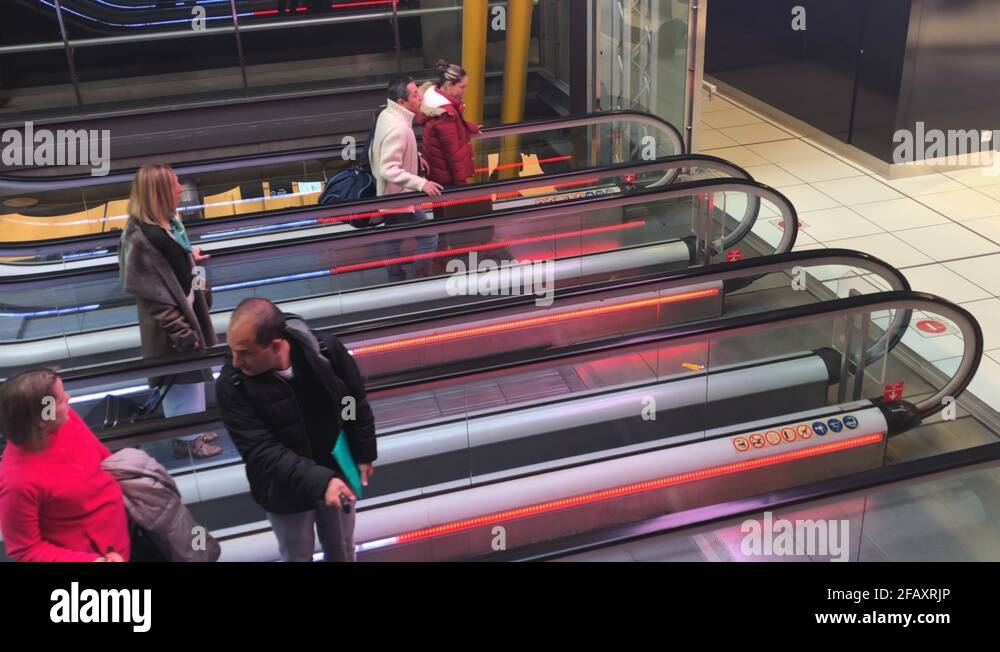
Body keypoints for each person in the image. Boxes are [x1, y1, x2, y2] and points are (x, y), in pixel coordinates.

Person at [215, 299, 377, 562]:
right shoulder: (232, 385)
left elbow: (352, 402)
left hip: (337, 470)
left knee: (343, 551)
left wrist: (363, 452)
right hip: (284, 491)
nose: (236, 361)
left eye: (245, 352)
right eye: (233, 350)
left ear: (276, 345)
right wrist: (322, 481)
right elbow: (262, 451)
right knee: (297, 556)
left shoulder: (324, 351)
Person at [119, 164, 222, 459]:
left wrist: (193, 259)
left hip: (188, 316)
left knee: (193, 381)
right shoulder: (140, 238)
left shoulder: (171, 225)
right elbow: (154, 299)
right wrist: (184, 334)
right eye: (175, 184)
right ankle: (185, 442)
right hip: (173, 331)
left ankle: (194, 429)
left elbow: (180, 266)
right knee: (180, 386)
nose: (180, 189)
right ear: (160, 192)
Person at [0, 369, 130, 562]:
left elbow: (103, 458)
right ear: (42, 420)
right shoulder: (17, 482)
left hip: (120, 537)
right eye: (60, 399)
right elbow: (26, 550)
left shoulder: (66, 420)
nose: (68, 399)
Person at [369, 75, 443, 280]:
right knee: (429, 238)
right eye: (415, 94)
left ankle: (395, 275)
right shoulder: (399, 129)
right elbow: (388, 168)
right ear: (402, 102)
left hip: (389, 195)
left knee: (393, 237)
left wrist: (416, 157)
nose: (420, 97)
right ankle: (420, 275)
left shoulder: (388, 113)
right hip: (400, 196)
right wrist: (422, 183)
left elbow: (386, 148)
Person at [420, 59, 481, 190]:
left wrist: (470, 127)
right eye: (462, 87)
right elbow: (453, 153)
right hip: (448, 178)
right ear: (448, 85)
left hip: (437, 171)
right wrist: (461, 185)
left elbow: (452, 130)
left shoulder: (432, 100)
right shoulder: (446, 113)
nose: (464, 91)